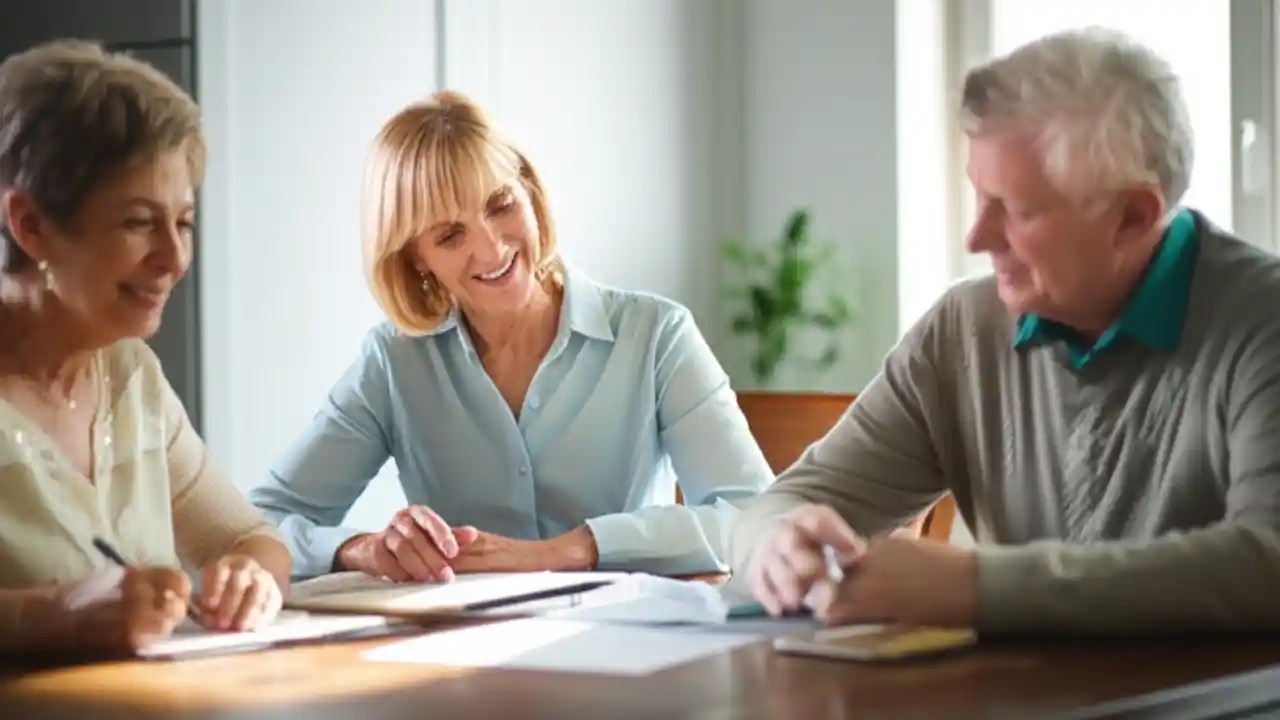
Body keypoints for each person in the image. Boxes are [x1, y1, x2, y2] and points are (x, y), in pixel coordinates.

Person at [733, 28, 1280, 634]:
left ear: (1132, 216)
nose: (977, 238)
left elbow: (1267, 564)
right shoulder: (962, 330)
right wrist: (777, 547)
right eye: (978, 196)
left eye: (1019, 210)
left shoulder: (1264, 322)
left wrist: (974, 587)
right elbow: (787, 501)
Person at [250, 91, 772, 581]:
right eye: (451, 235)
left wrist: (571, 549)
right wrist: (360, 549)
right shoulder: (394, 361)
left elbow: (753, 518)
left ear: (528, 189)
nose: (492, 248)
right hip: (460, 658)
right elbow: (257, 526)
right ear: (417, 259)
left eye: (500, 204)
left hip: (620, 652)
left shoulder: (656, 336)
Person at [0, 40, 290, 657]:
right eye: (138, 222)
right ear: (30, 226)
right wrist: (55, 614)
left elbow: (247, 536)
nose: (175, 258)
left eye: (182, 222)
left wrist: (252, 579)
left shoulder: (130, 374)